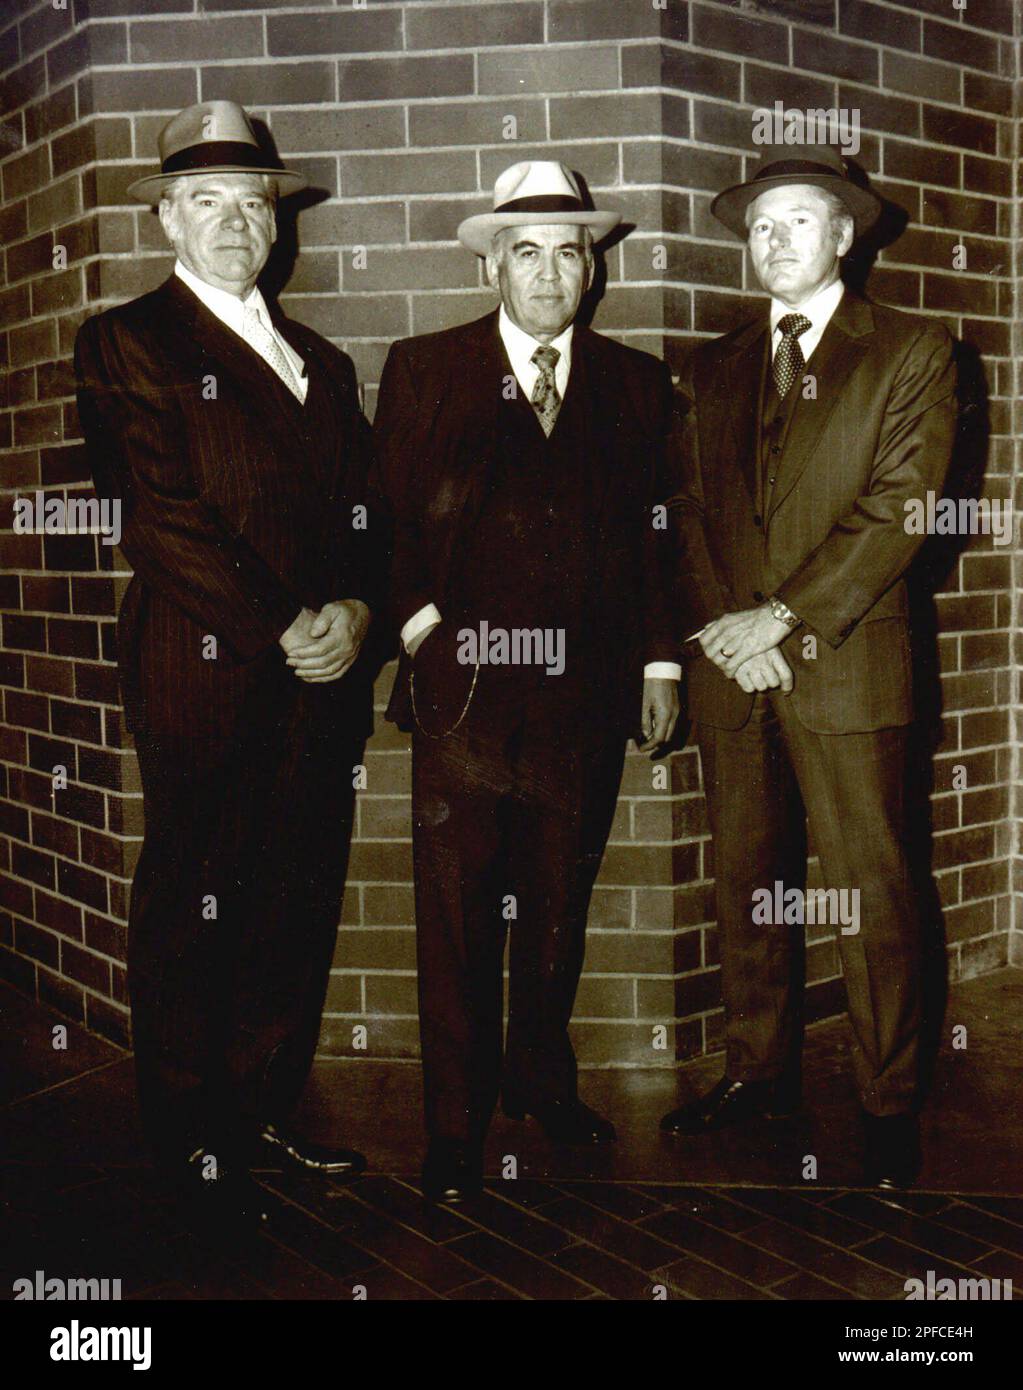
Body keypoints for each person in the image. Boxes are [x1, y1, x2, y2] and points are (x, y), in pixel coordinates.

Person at [74, 100, 378, 1226]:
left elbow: (363, 513)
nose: (236, 223)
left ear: (278, 225)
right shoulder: (125, 341)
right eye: (208, 202)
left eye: (254, 203)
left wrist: (353, 603)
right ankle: (186, 1141)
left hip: (318, 675)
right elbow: (159, 517)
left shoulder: (322, 359)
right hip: (205, 668)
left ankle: (257, 1111)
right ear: (167, 221)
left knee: (293, 893)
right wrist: (289, 621)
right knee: (196, 894)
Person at [373, 161, 682, 1203]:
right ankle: (455, 1127)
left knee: (558, 905)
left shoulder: (636, 384)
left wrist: (658, 659)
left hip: (582, 701)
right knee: (457, 916)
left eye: (569, 253)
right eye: (527, 253)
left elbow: (655, 542)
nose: (550, 273)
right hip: (461, 699)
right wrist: (422, 632)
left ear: (591, 271)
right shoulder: (427, 369)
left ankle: (542, 1082)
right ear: (492, 264)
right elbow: (385, 521)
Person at [661, 145, 956, 1188]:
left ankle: (886, 1102)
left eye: (798, 220)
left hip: (843, 663)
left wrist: (781, 619)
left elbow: (902, 512)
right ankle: (761, 1068)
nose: (773, 240)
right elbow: (688, 516)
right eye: (758, 226)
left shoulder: (914, 351)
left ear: (845, 235)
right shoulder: (708, 366)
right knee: (750, 877)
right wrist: (728, 632)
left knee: (871, 890)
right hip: (734, 672)